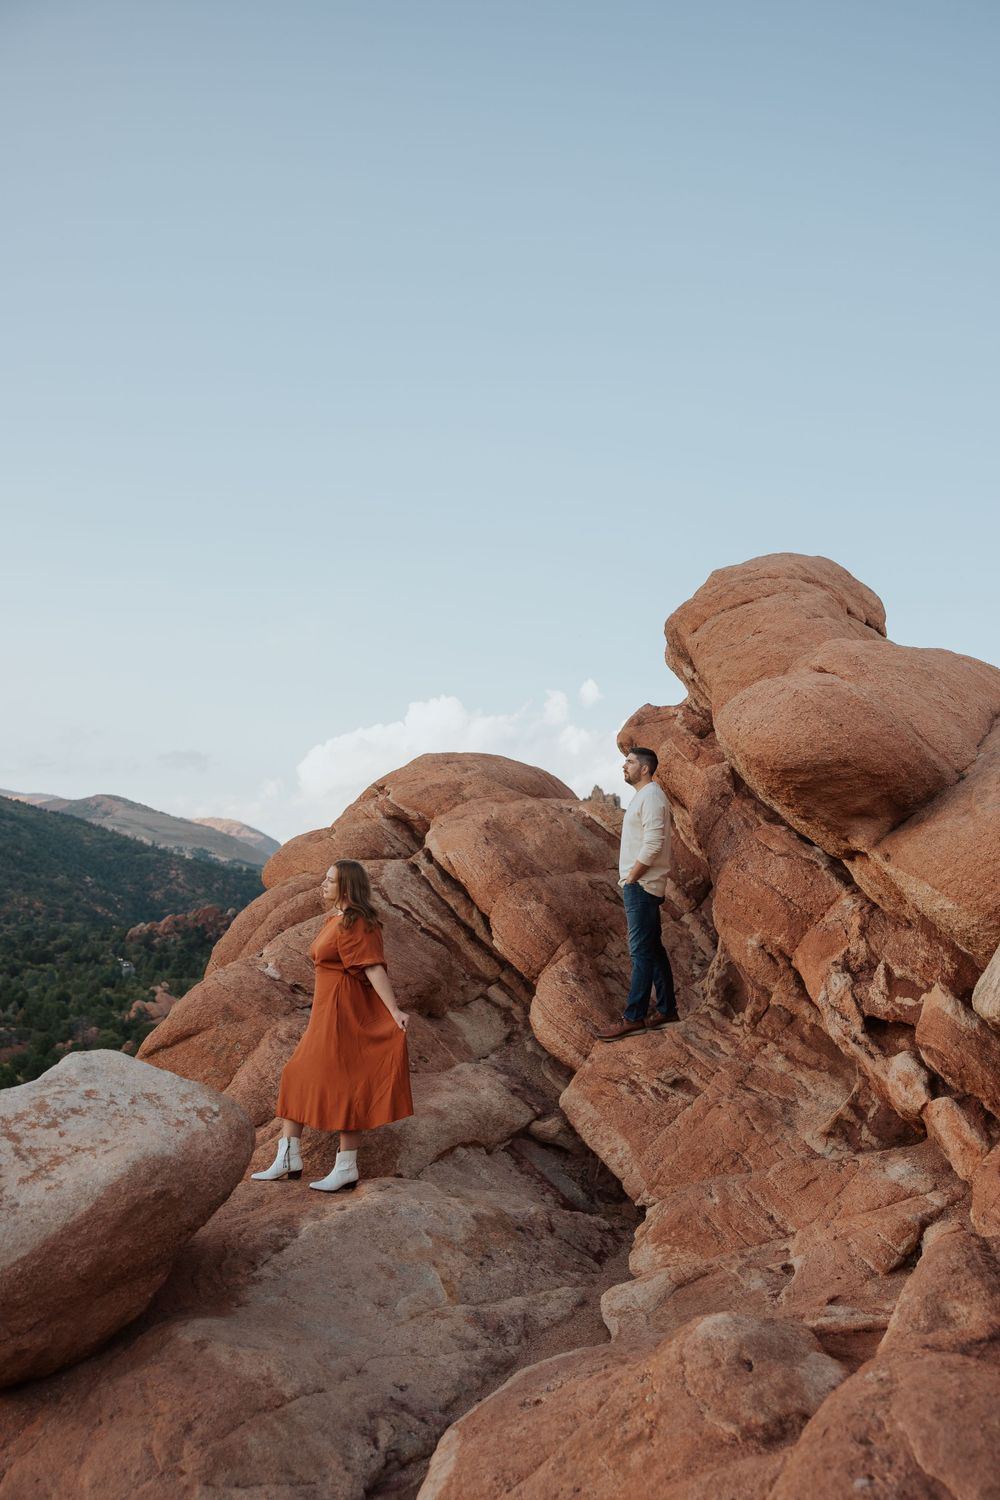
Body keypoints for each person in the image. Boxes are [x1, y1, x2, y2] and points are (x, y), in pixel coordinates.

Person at [251, 858, 413, 1192]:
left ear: (347, 886)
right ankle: (288, 1157)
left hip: (343, 1011)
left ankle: (346, 1167)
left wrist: (394, 1010)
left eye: (330, 880)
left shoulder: (357, 923)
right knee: (296, 1074)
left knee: (345, 1084)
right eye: (324, 878)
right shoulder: (335, 919)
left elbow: (373, 968)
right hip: (326, 1011)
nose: (323, 884)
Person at [595, 746, 678, 1042]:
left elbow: (654, 842)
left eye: (629, 762)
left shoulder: (652, 796)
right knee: (653, 950)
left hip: (641, 886)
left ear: (644, 768)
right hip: (641, 885)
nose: (624, 766)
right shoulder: (643, 797)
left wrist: (633, 877)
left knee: (640, 952)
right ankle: (667, 1010)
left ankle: (634, 1017)